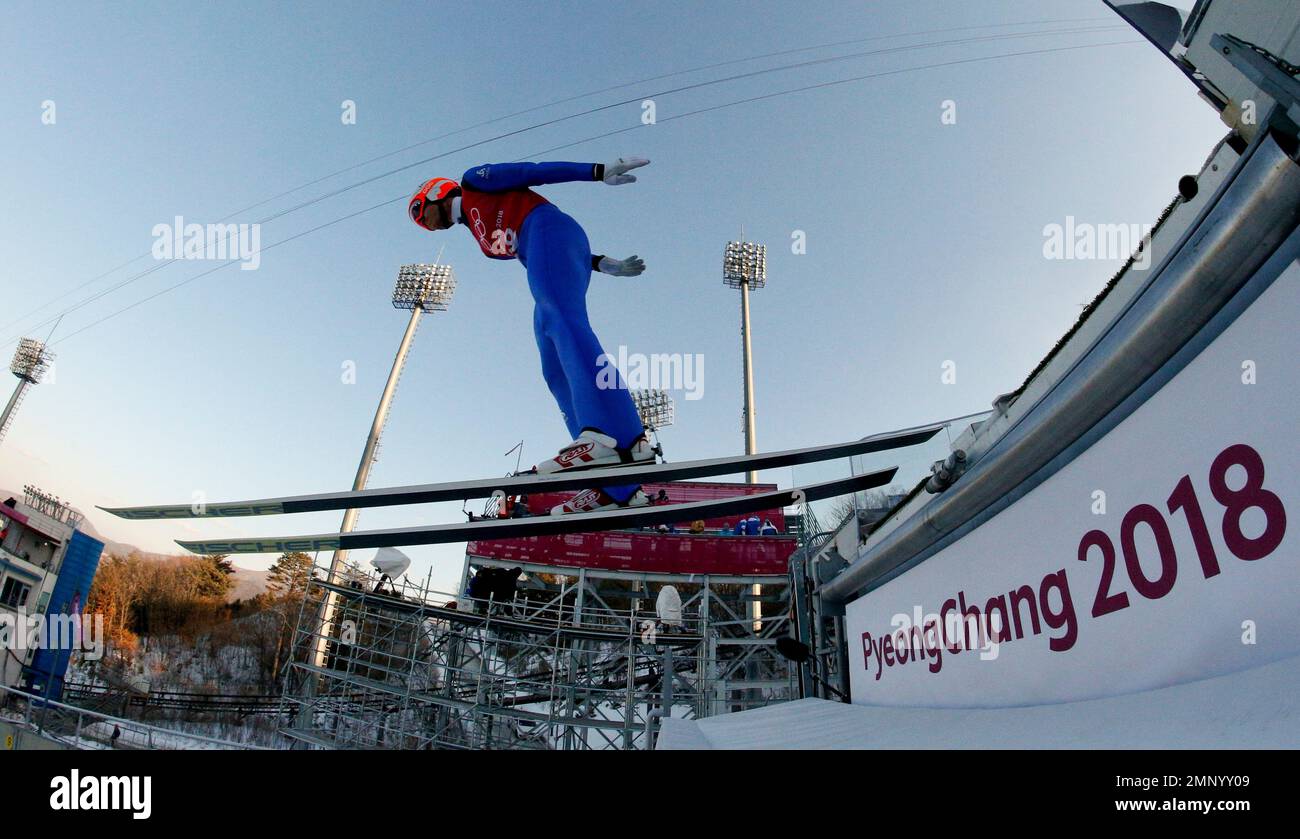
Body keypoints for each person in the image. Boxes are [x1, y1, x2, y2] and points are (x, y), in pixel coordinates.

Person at [409, 158, 655, 515]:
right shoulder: (480, 239)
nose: (424, 224)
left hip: (548, 227)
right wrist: (602, 263)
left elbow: (532, 172)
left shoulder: (474, 182)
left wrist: (597, 171)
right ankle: (619, 486)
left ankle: (616, 437)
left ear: (435, 191)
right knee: (552, 365)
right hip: (545, 250)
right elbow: (548, 259)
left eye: (420, 212)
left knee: (561, 321)